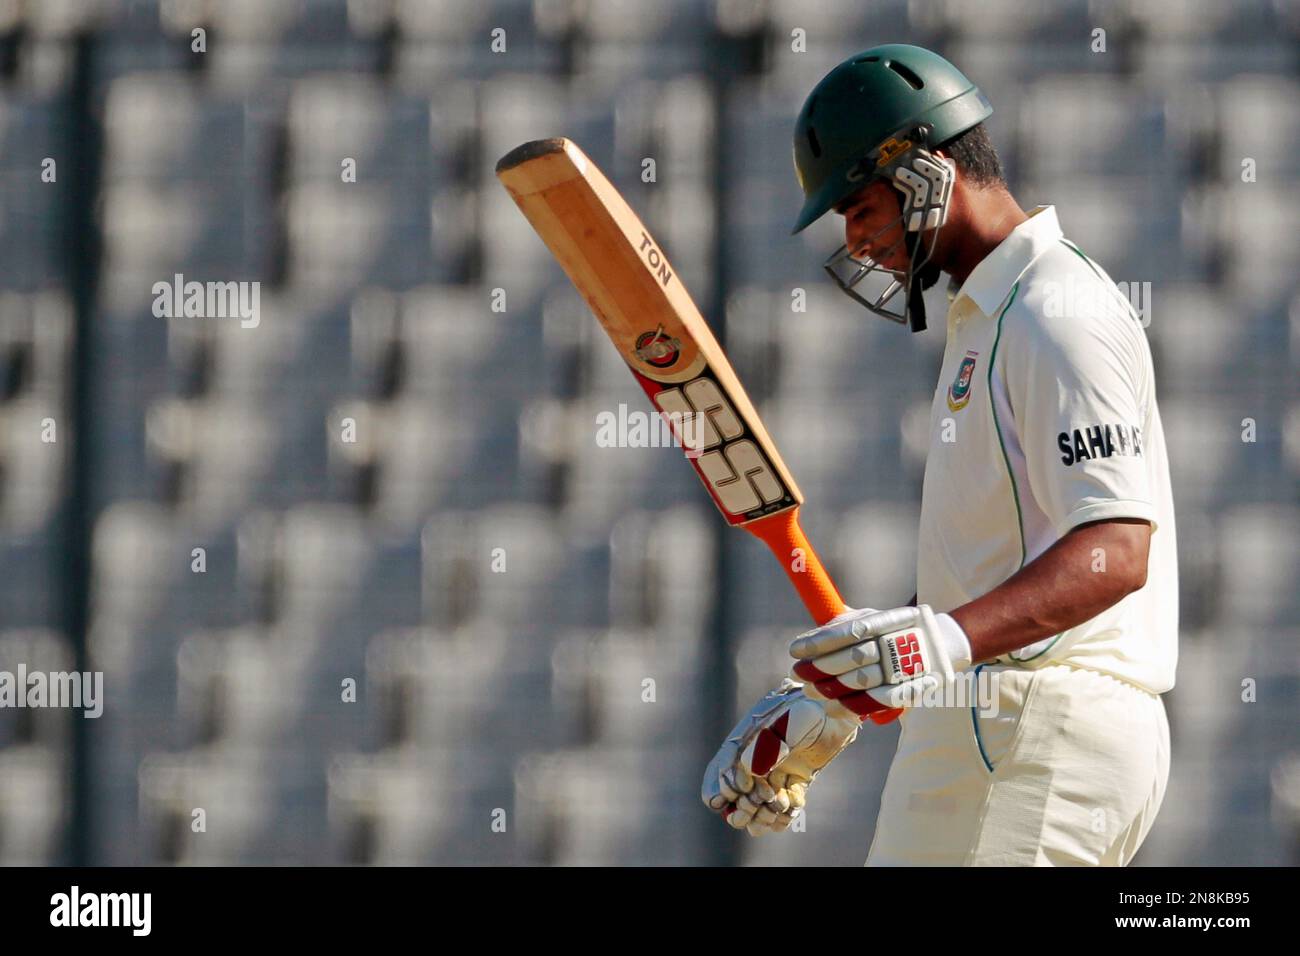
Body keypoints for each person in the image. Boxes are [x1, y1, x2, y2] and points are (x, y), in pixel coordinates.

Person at [702, 44, 1177, 866]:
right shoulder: (996, 313)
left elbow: (1116, 550)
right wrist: (842, 689)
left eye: (859, 207)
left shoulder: (1052, 309)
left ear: (925, 170)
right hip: (1012, 722)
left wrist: (937, 647)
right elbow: (992, 564)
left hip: (1028, 723)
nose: (857, 241)